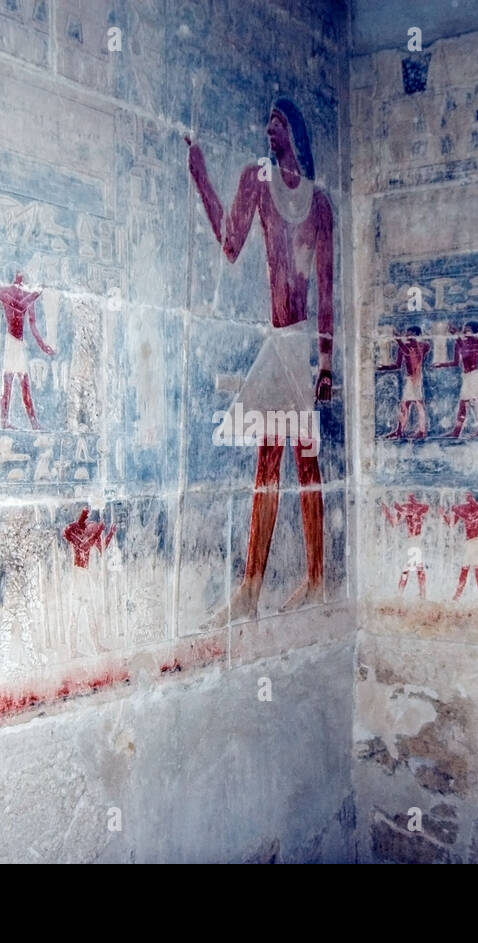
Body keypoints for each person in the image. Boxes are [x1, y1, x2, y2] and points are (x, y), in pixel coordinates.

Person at [186, 97, 334, 621]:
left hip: (299, 346)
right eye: (266, 120)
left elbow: (327, 289)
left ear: (294, 129)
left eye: (278, 118)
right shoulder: (257, 179)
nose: (269, 127)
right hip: (279, 343)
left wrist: (328, 362)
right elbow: (230, 243)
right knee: (274, 461)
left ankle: (313, 579)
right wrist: (201, 176)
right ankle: (253, 588)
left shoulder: (318, 204)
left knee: (303, 462)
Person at [0, 271, 55, 430]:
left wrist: (42, 345)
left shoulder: (27, 294)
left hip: (19, 344)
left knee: (24, 383)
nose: (21, 274)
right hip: (10, 341)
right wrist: (35, 293)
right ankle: (3, 420)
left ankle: (33, 422)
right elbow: (19, 306)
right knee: (7, 383)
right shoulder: (4, 290)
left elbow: (32, 324)